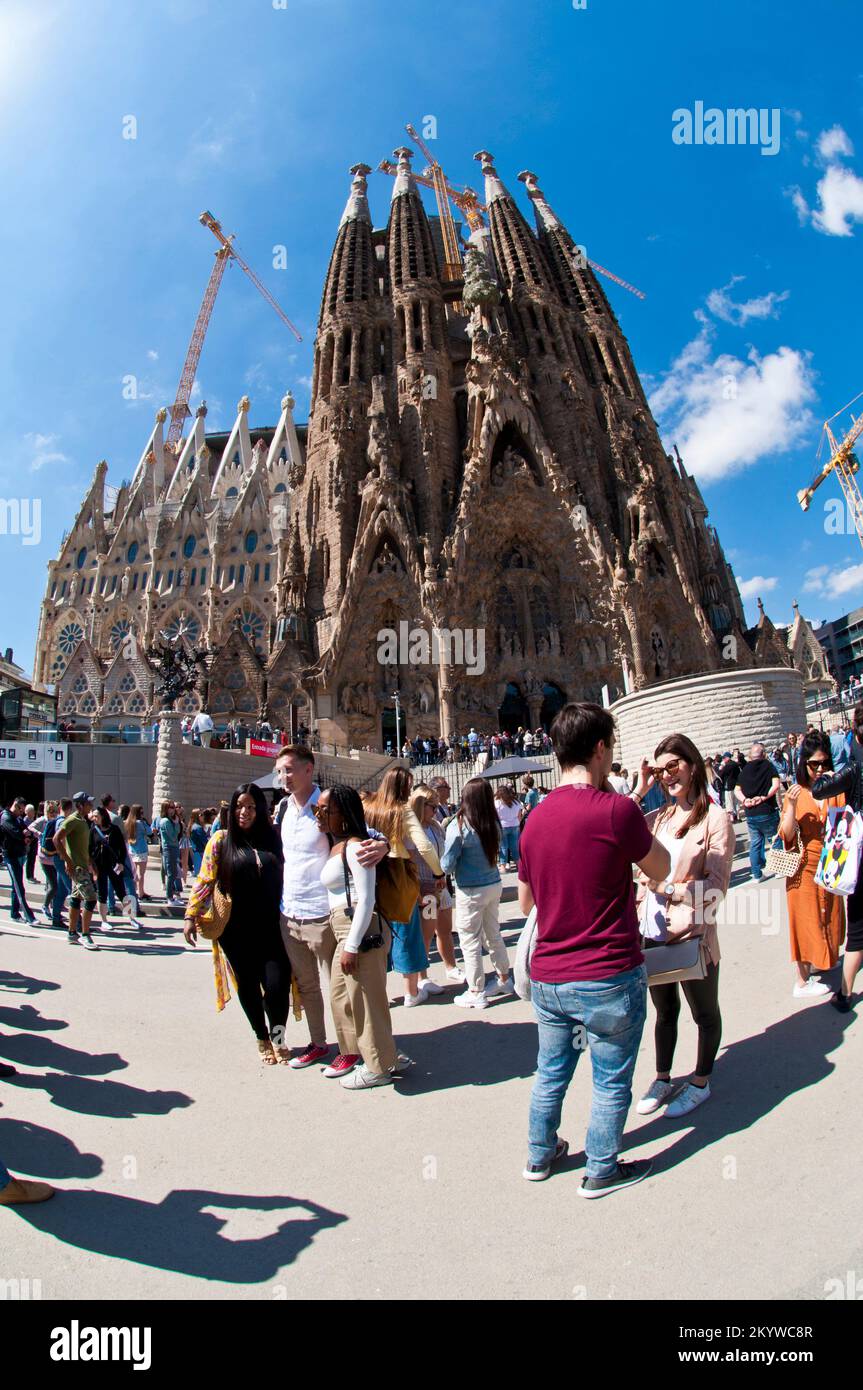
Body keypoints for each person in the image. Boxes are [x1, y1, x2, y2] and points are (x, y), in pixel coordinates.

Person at [517, 703, 670, 1196]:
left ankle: (540, 1157)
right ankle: (601, 1169)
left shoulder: (533, 821)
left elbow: (525, 902)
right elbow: (662, 867)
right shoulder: (617, 811)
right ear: (601, 748)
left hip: (550, 977)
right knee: (610, 1078)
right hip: (608, 972)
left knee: (551, 1071)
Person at [631, 734, 734, 1118]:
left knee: (704, 1012)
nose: (667, 776)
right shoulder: (658, 818)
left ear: (692, 764)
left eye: (673, 766)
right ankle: (663, 1078)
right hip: (654, 931)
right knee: (664, 1011)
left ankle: (701, 1081)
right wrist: (639, 790)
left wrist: (667, 888)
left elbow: (717, 888)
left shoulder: (716, 819)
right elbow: (616, 828)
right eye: (660, 771)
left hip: (693, 932)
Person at [276, 744, 388, 1072]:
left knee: (339, 987)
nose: (284, 776)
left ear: (309, 769)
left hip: (323, 911)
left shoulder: (328, 805)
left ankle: (350, 1048)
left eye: (290, 769)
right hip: (290, 910)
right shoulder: (283, 808)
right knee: (308, 985)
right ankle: (317, 1042)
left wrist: (382, 845)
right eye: (280, 770)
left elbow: (364, 832)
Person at [184, 784, 291, 1064]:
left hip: (271, 928)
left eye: (251, 807)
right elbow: (205, 879)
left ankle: (279, 1037)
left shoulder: (273, 839)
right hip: (237, 931)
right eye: (240, 806)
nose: (244, 812)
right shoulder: (221, 840)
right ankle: (262, 1036)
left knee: (278, 986)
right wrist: (190, 915)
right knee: (249, 986)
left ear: (261, 810)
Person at [316, 785, 408, 1089]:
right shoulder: (338, 843)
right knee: (344, 997)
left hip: (359, 927)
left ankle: (379, 1067)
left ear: (342, 812)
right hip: (345, 926)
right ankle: (384, 1054)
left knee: (367, 1000)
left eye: (325, 809)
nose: (320, 814)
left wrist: (352, 945)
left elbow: (366, 899)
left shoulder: (356, 848)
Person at [364, 767, 445, 1007]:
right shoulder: (402, 811)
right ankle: (411, 992)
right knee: (406, 932)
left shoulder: (369, 807)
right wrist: (438, 871)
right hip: (398, 874)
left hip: (372, 874)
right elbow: (425, 846)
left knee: (377, 934)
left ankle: (380, 993)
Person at [806, 702, 863, 1012]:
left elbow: (820, 790)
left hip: (860, 854)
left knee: (857, 930)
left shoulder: (855, 768)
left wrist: (823, 772)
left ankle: (844, 994)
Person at [778, 732, 842, 1001]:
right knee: (805, 920)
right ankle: (802, 981)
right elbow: (786, 835)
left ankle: (822, 959)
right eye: (813, 764)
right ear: (803, 763)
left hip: (829, 864)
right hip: (803, 868)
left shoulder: (831, 788)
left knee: (828, 914)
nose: (818, 769)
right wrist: (791, 805)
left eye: (823, 764)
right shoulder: (798, 793)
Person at [441, 777, 514, 1009]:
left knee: (470, 940)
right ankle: (503, 977)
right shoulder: (493, 822)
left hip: (471, 888)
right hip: (493, 883)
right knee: (493, 933)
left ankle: (476, 990)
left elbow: (448, 863)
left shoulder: (460, 825)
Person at [410, 786, 462, 981]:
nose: (436, 809)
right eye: (432, 806)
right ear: (421, 805)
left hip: (440, 885)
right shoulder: (413, 830)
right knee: (426, 934)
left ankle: (451, 966)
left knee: (445, 929)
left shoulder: (435, 826)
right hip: (426, 887)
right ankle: (423, 977)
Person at [54, 792, 100, 949]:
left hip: (83, 866)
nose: (91, 806)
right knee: (91, 899)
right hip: (78, 868)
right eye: (88, 803)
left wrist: (91, 864)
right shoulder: (73, 820)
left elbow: (82, 847)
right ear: (80, 805)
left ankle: (72, 933)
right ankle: (85, 935)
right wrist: (67, 861)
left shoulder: (82, 821)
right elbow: (56, 839)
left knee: (76, 899)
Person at [735, 743, 781, 882]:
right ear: (764, 754)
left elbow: (737, 790)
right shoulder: (768, 766)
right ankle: (779, 869)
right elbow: (776, 785)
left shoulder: (744, 770)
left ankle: (757, 874)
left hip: (751, 813)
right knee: (775, 839)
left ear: (750, 756)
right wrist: (764, 797)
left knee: (755, 843)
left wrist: (746, 800)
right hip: (767, 809)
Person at [89, 805, 140, 931]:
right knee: (102, 893)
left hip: (114, 865)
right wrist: (91, 865)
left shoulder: (114, 829)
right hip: (99, 866)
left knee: (122, 892)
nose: (94, 818)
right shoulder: (93, 830)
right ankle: (104, 920)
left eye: (97, 816)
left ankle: (132, 918)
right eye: (94, 816)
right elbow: (89, 848)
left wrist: (122, 862)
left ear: (103, 816)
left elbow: (122, 848)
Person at [0, 797, 37, 925]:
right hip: (10, 855)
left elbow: (27, 831)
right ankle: (29, 917)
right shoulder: (6, 817)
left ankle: (15, 914)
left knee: (16, 886)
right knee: (19, 887)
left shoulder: (17, 818)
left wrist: (28, 836)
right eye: (21, 810)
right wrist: (24, 836)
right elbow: (15, 833)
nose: (22, 813)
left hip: (19, 854)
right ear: (16, 806)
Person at [157, 800, 183, 904]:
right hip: (169, 848)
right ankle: (169, 897)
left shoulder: (171, 820)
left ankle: (173, 895)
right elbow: (173, 836)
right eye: (170, 807)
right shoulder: (165, 821)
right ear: (165, 809)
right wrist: (176, 823)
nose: (173, 809)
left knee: (175, 873)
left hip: (174, 848)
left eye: (173, 807)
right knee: (171, 874)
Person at [126, 805, 152, 900]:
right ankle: (141, 892)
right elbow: (149, 832)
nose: (142, 814)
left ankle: (133, 891)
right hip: (141, 849)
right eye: (141, 813)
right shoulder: (140, 823)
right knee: (141, 874)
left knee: (133, 873)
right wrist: (145, 823)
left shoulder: (128, 823)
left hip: (131, 850)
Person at [494, 783, 523, 869]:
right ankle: (519, 865)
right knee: (514, 846)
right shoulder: (516, 802)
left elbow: (495, 816)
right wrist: (517, 823)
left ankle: (503, 866)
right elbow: (519, 816)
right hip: (514, 825)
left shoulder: (497, 803)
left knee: (503, 847)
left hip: (502, 826)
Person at [188, 809, 208, 876]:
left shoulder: (193, 826)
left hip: (195, 851)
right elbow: (204, 841)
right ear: (197, 816)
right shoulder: (198, 828)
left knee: (198, 873)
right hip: (200, 852)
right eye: (201, 815)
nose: (203, 816)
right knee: (201, 874)